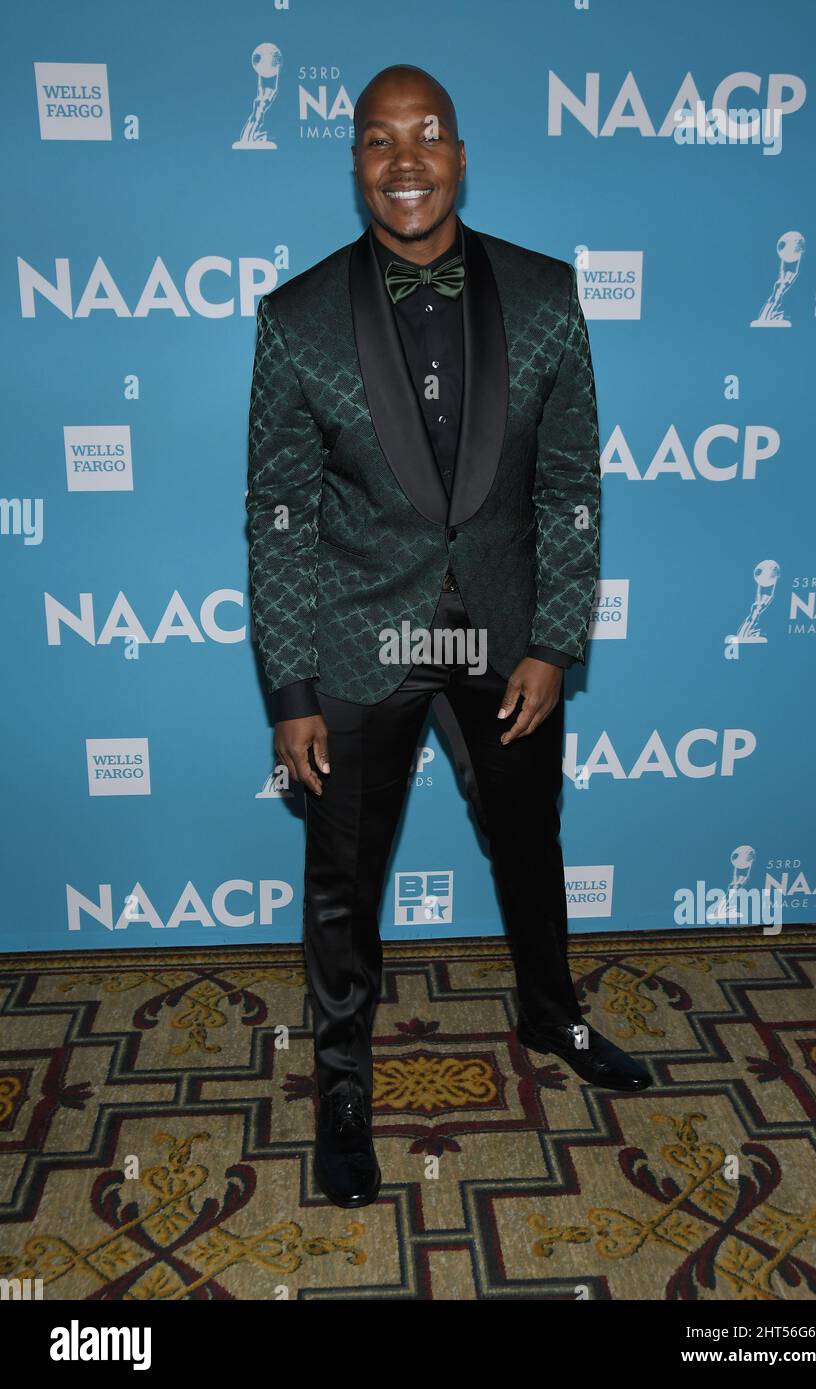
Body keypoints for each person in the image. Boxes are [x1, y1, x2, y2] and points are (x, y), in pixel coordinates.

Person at [246, 64, 651, 1209]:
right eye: (379, 140)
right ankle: (338, 1086)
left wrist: (554, 639)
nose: (406, 159)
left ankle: (550, 1011)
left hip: (507, 640)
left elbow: (570, 486)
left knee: (530, 844)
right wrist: (290, 688)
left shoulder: (547, 294)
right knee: (343, 884)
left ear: (461, 155)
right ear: (356, 164)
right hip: (358, 642)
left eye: (427, 135)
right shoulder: (294, 319)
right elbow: (275, 513)